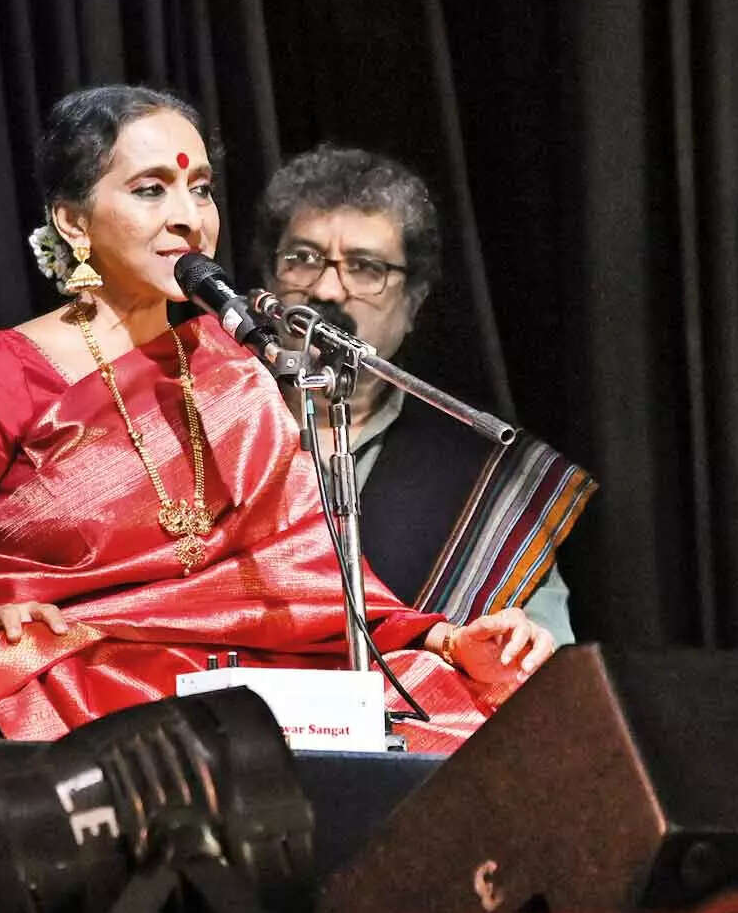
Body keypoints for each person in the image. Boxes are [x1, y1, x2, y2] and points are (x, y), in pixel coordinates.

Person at [0, 85, 555, 745]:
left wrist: (441, 638)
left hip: (248, 674)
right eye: (150, 189)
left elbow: (304, 574)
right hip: (82, 675)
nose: (188, 216)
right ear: (71, 221)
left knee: (441, 700)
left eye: (199, 189)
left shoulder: (230, 361)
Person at [250, 145, 585, 644]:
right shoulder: (209, 428)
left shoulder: (482, 477)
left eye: (365, 268)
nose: (326, 291)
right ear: (268, 283)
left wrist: (521, 643)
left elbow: (542, 659)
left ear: (412, 304)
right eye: (301, 259)